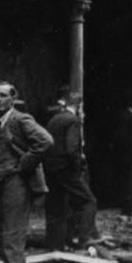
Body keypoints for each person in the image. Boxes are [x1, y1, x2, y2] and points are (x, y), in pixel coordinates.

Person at [0, 82, 53, 263]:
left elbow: (46, 141)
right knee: (5, 239)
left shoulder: (20, 120)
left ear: (13, 99)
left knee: (13, 238)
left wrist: (25, 164)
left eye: (3, 96)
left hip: (16, 184)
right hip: (1, 183)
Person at [43, 87, 97, 250]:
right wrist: (77, 168)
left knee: (56, 208)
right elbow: (71, 149)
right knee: (88, 201)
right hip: (66, 170)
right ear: (79, 106)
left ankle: (55, 245)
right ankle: (84, 239)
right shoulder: (73, 121)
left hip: (51, 170)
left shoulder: (54, 119)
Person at [112, 90, 132, 216]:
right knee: (131, 180)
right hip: (130, 155)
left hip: (131, 154)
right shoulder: (128, 117)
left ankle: (129, 206)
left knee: (131, 180)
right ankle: (128, 208)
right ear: (131, 102)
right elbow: (128, 138)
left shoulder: (129, 116)